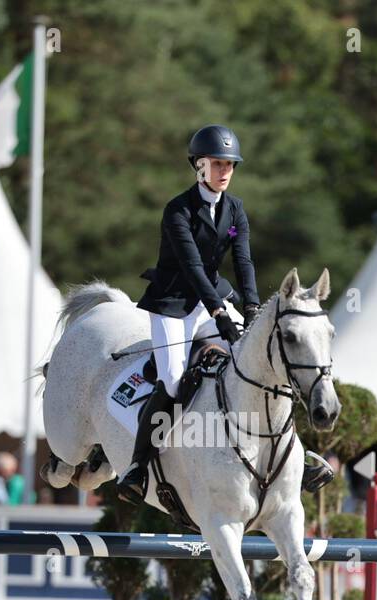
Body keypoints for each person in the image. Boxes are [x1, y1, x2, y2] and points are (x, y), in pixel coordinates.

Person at [116, 124, 260, 504]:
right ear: (199, 166)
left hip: (212, 298)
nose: (225, 171)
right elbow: (193, 267)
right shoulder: (177, 210)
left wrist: (251, 306)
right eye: (217, 163)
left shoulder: (235, 209)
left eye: (230, 164)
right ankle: (136, 464)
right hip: (173, 305)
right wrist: (219, 312)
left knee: (260, 356)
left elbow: (243, 260)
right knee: (175, 381)